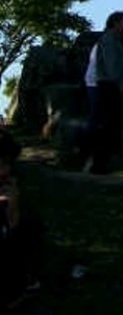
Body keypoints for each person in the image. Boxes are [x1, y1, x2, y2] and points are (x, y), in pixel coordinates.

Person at [0, 129, 46, 314]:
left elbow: (23, 264)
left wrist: (14, 219)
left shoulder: (21, 210)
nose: (2, 171)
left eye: (4, 163)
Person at [83, 11, 123, 174]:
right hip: (105, 84)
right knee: (107, 122)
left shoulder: (111, 40)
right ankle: (95, 160)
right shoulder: (109, 40)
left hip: (103, 83)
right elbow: (111, 65)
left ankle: (95, 160)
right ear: (115, 23)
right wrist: (119, 83)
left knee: (104, 121)